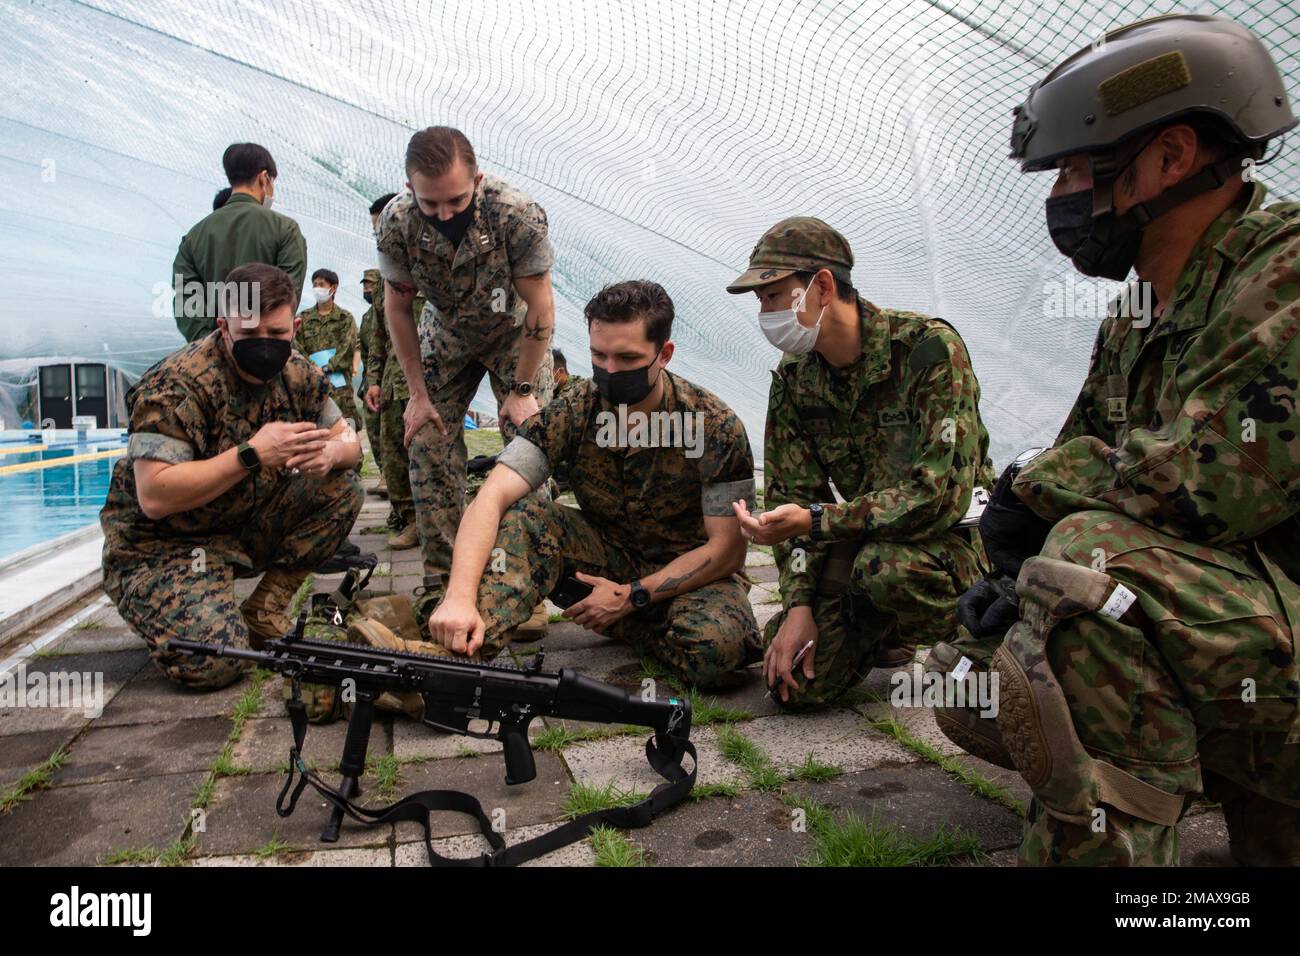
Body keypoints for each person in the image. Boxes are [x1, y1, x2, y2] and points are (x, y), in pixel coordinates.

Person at [942, 13, 1300, 865]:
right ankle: (1227, 806)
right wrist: (1009, 574)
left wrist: (1038, 504)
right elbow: (1083, 456)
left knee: (1086, 569)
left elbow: (1215, 482)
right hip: (1246, 629)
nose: (1061, 197)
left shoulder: (1284, 273)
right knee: (971, 672)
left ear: (1171, 157)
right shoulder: (1136, 313)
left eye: (1073, 168)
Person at [422, 280, 762, 688]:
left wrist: (632, 596)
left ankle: (635, 621)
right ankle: (453, 659)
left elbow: (727, 551)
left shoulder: (714, 425)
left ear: (664, 354)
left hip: (691, 577)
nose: (611, 371)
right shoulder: (574, 410)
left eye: (628, 357)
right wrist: (458, 596)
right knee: (526, 515)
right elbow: (492, 496)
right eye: (599, 356)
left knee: (718, 652)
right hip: (606, 560)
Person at [725, 217, 994, 708]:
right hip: (863, 540)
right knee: (793, 684)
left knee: (887, 570)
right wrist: (800, 605)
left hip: (950, 544)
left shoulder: (928, 350)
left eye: (771, 296)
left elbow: (940, 496)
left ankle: (990, 640)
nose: (764, 313)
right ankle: (878, 628)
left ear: (822, 286)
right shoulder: (795, 377)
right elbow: (792, 497)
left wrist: (820, 519)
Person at [100, 262, 363, 689]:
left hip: (238, 527)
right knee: (214, 664)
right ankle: (172, 596)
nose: (265, 345)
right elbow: (155, 495)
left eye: (277, 335)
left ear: (294, 326)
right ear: (224, 326)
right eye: (250, 334)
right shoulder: (177, 384)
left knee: (341, 487)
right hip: (164, 546)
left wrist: (332, 453)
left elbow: (349, 440)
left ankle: (265, 610)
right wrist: (252, 454)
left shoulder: (298, 373)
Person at [375, 126, 556, 620]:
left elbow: (540, 307)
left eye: (456, 200)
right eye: (431, 204)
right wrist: (416, 393)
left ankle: (522, 587)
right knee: (426, 441)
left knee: (529, 447)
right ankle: (444, 585)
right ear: (410, 188)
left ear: (476, 178)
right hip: (446, 334)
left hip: (514, 335)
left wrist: (521, 390)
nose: (445, 215)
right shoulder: (396, 222)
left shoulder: (515, 214)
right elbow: (398, 308)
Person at [172, 143, 307, 342]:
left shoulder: (193, 237)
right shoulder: (285, 230)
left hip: (212, 358)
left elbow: (187, 306)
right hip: (266, 354)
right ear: (264, 178)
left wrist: (214, 345)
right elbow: (286, 300)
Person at [294, 268, 361, 436]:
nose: (317, 288)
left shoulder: (345, 318)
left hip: (339, 387)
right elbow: (296, 346)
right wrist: (313, 368)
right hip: (312, 385)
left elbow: (347, 348)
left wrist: (327, 368)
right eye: (314, 285)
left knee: (346, 430)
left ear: (334, 287)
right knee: (315, 430)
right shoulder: (303, 318)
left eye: (321, 284)